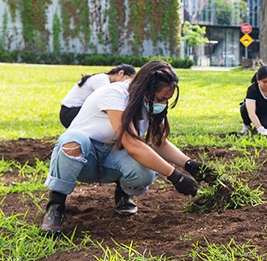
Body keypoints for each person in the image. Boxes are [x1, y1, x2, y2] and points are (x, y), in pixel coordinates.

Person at [41, 60, 216, 235]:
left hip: (112, 159)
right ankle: (55, 206)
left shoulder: (150, 106)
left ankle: (124, 193)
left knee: (145, 171)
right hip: (84, 159)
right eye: (161, 98)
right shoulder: (115, 94)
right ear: (146, 90)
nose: (163, 104)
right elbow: (132, 144)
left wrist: (190, 165)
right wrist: (175, 176)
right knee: (73, 140)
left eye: (167, 100)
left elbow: (159, 142)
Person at [59, 64, 136, 127]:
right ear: (121, 73)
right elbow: (107, 99)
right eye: (127, 80)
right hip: (70, 112)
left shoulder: (103, 79)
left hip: (74, 111)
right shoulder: (101, 79)